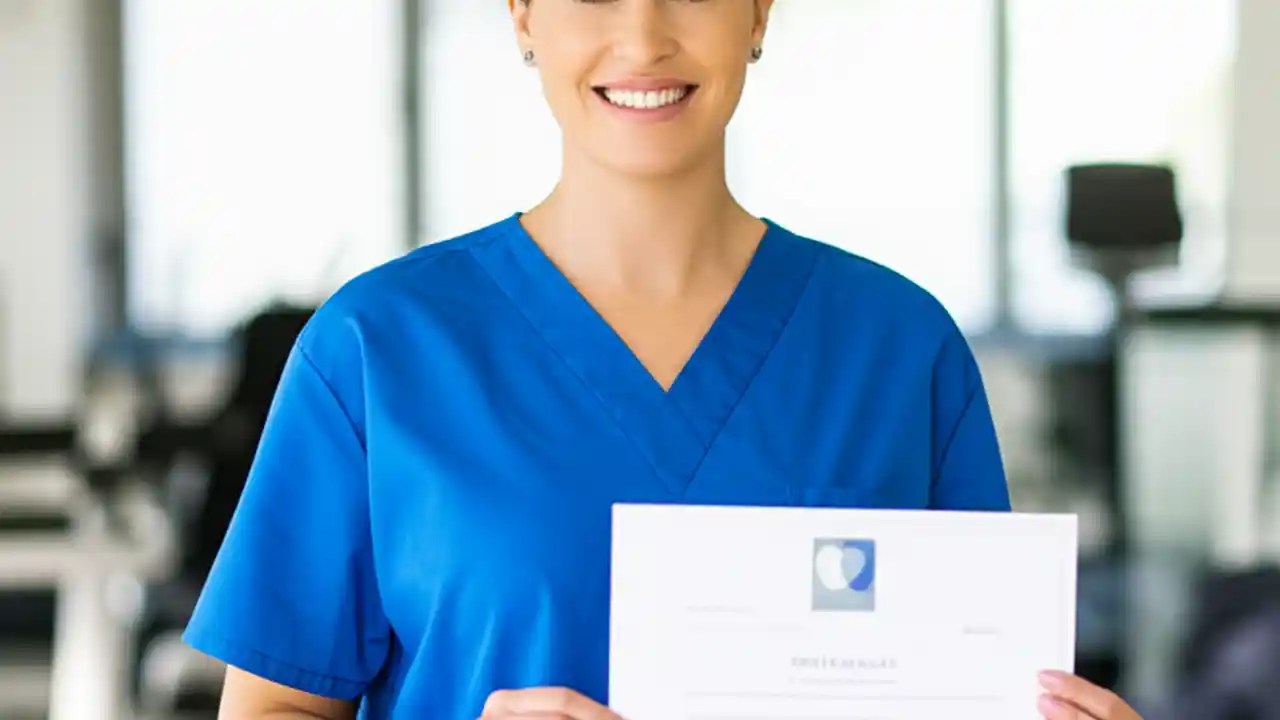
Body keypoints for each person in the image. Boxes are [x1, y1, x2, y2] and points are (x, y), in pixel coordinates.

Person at [184, 1, 1145, 718]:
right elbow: (275, 704)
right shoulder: (376, 350)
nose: (644, 37)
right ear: (522, 13)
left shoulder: (899, 350)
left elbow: (980, 694)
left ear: (760, 9)